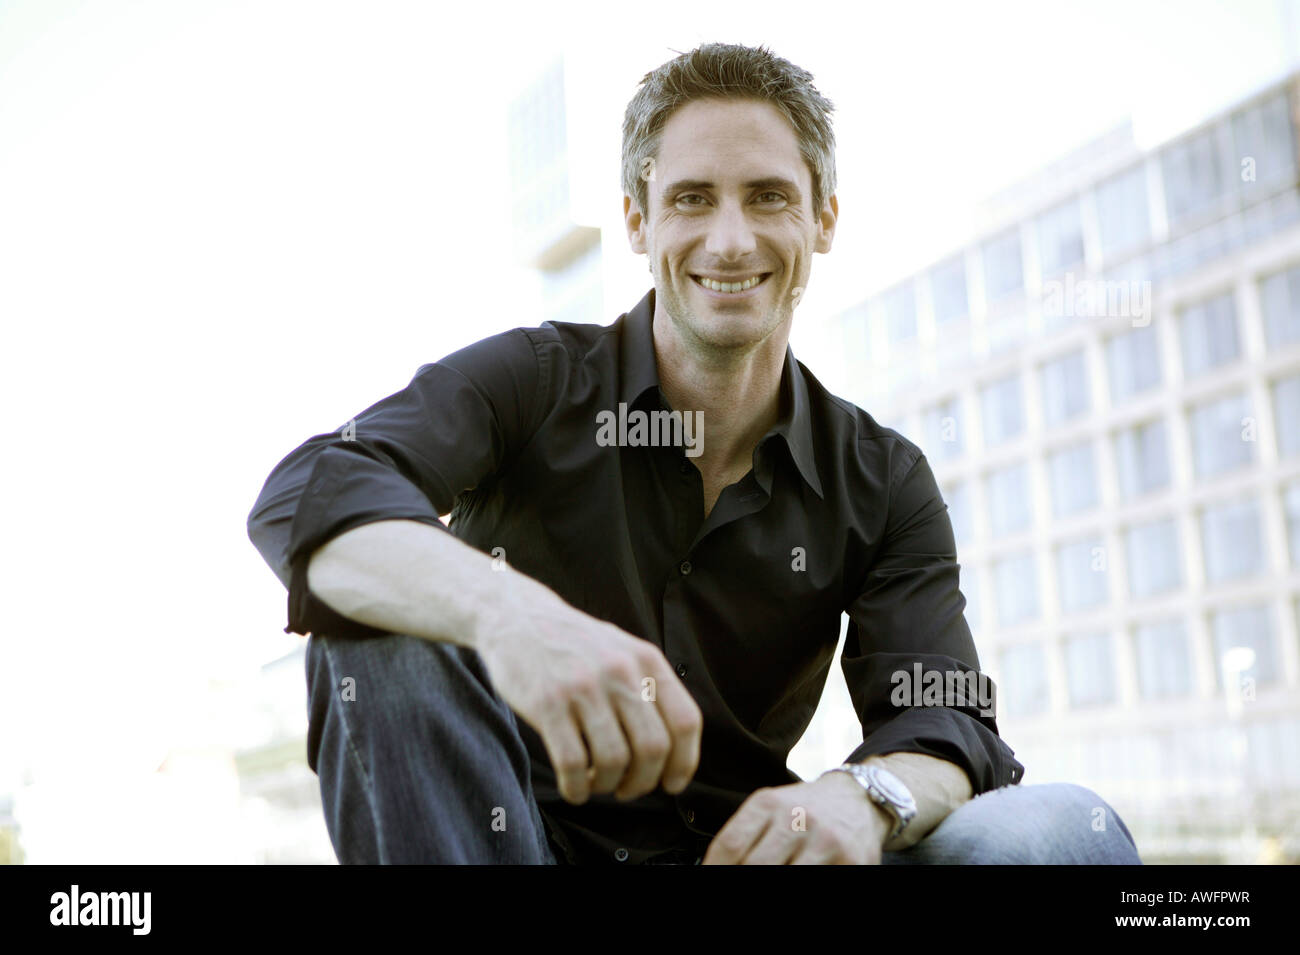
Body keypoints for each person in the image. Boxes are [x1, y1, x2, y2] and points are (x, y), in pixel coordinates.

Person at [246, 41, 1141, 865]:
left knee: (1057, 827)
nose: (730, 239)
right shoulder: (534, 380)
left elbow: (948, 717)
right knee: (374, 618)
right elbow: (310, 491)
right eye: (690, 198)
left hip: (745, 857)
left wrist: (861, 795)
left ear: (822, 220)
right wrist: (509, 615)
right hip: (508, 839)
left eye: (768, 196)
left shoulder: (884, 477)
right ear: (638, 221)